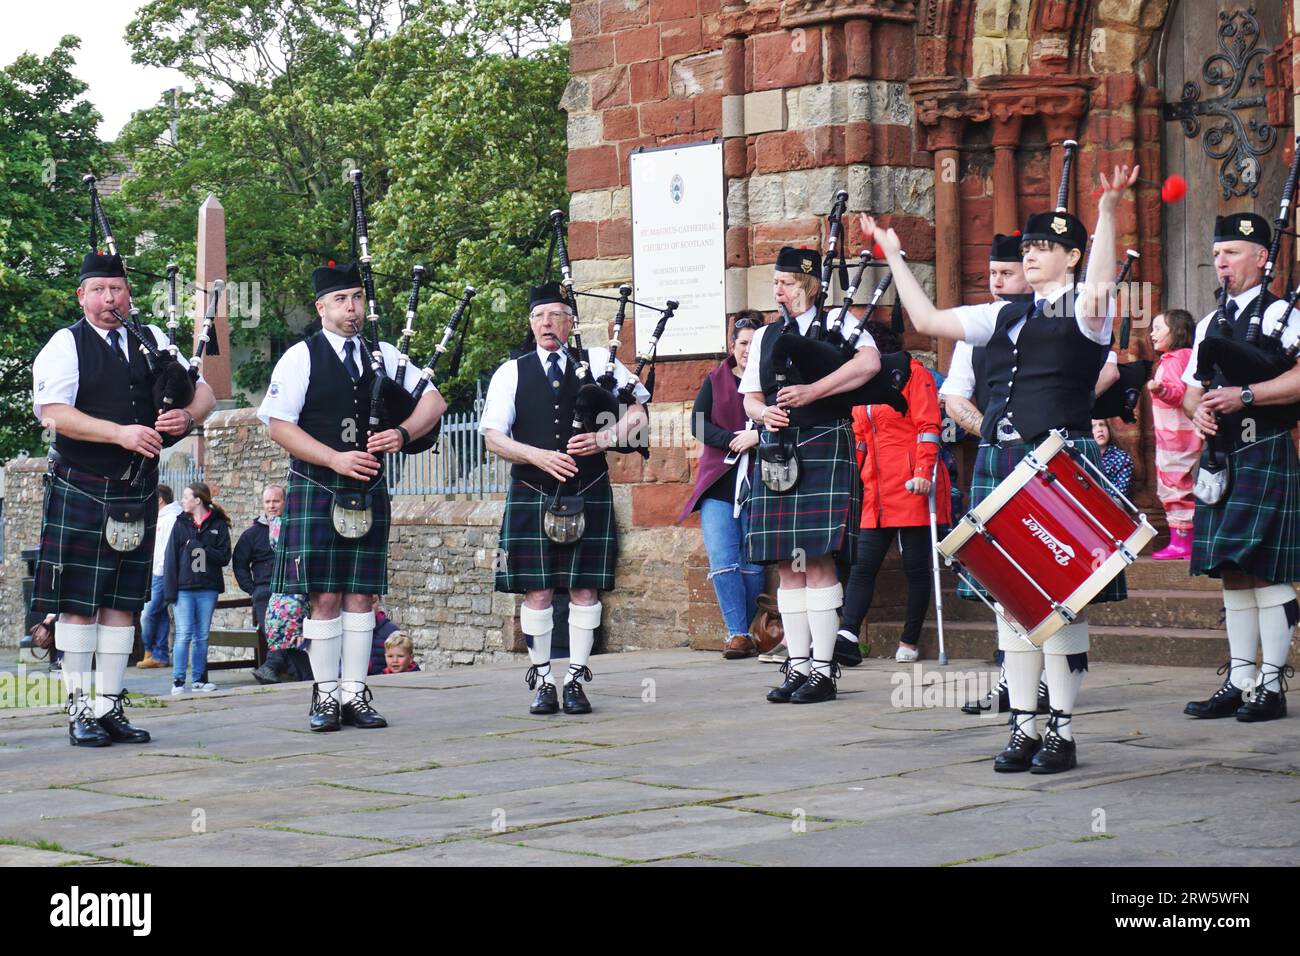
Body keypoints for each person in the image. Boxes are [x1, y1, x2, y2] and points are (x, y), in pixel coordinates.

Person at [865, 161, 1139, 773]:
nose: (1034, 255)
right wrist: (894, 256)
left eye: (1047, 248)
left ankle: (1062, 732)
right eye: (1031, 247)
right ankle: (1022, 726)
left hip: (1060, 460)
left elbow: (1096, 285)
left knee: (1064, 601)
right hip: (1005, 458)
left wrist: (1110, 210)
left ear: (1071, 257)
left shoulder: (1086, 312)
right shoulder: (1002, 314)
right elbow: (930, 322)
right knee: (1011, 600)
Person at [30, 250, 215, 746]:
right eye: (99, 290)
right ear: (83, 296)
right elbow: (54, 413)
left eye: (117, 289)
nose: (110, 298)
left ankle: (110, 706)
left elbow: (206, 393)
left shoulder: (151, 339)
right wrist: (119, 434)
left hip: (134, 491)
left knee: (120, 605)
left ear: (128, 294)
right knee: (77, 605)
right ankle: (79, 710)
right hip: (82, 485)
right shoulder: (65, 345)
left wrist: (188, 418)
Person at [259, 261, 446, 731]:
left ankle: (355, 694)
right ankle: (324, 697)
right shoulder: (300, 357)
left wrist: (402, 433)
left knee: (362, 596)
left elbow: (435, 402)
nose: (352, 308)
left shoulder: (383, 354)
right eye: (341, 300)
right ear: (321, 307)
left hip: (368, 491)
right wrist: (334, 459)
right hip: (320, 485)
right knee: (324, 597)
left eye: (357, 298)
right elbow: (279, 425)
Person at [481, 282, 650, 716]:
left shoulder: (599, 362)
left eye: (555, 315)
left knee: (584, 588)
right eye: (538, 316)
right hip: (533, 490)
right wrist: (536, 454)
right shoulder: (511, 372)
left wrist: (606, 437)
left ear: (571, 321)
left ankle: (575, 679)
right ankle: (542, 680)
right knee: (536, 591)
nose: (546, 323)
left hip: (588, 488)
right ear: (531, 323)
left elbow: (639, 410)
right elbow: (493, 437)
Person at [740, 246, 881, 705]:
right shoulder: (764, 335)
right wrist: (763, 417)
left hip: (824, 443)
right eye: (775, 282)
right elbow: (750, 397)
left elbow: (869, 365)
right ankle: (797, 665)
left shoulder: (839, 325)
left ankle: (824, 670)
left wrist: (813, 391)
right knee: (788, 563)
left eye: (785, 282)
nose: (777, 290)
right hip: (778, 452)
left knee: (817, 559)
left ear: (808, 285)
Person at [1181, 213, 1300, 723]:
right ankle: (1241, 679)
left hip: (1265, 448)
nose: (1222, 263)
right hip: (1221, 458)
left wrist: (1247, 394)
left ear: (1260, 258)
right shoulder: (1211, 322)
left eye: (1231, 252)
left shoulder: (1284, 314)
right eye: (1219, 253)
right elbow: (1190, 388)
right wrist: (1199, 408)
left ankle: (1271, 685)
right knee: (1230, 567)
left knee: (1265, 568)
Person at [941, 235, 1048, 719]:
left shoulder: (1059, 315)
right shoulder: (980, 326)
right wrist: (988, 426)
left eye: (1006, 273)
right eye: (992, 274)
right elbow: (955, 396)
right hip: (997, 453)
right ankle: (1013, 679)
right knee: (1003, 575)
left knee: (1049, 572)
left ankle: (1046, 683)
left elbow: (1106, 372)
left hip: (1050, 452)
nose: (997, 282)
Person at [837, 320, 951, 664]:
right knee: (863, 564)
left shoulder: (915, 375)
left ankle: (909, 639)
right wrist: (851, 478)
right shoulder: (860, 382)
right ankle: (847, 636)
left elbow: (929, 427)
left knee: (916, 566)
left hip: (912, 483)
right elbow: (859, 434)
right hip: (876, 487)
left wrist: (923, 473)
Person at [679, 311, 765, 659]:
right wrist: (733, 439)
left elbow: (788, 421)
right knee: (722, 558)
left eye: (755, 343)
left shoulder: (772, 381)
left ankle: (755, 631)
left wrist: (756, 436)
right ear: (733, 345)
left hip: (761, 480)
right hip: (719, 481)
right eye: (743, 342)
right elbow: (698, 424)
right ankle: (738, 633)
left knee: (754, 561)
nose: (748, 349)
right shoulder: (716, 380)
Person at [163, 481, 232, 694]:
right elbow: (170, 559)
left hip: (207, 588)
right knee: (184, 634)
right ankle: (178, 681)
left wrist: (201, 547)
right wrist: (170, 592)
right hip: (184, 589)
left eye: (186, 497)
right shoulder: (180, 524)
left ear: (197, 500)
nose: (182, 501)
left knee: (202, 635)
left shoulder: (217, 524)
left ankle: (200, 679)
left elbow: (223, 556)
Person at [1146, 309, 1201, 559]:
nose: (1151, 333)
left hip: (1174, 437)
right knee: (1181, 483)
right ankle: (1187, 539)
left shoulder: (1174, 359)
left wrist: (1160, 389)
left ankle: (1182, 542)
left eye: (1158, 328)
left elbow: (1178, 393)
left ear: (1176, 331)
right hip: (1182, 433)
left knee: (1172, 484)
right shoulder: (1187, 356)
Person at [235, 485, 293, 683]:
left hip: (292, 589)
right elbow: (240, 565)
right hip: (265, 590)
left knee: (289, 628)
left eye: (276, 501)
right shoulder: (252, 534)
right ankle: (277, 668)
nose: (272, 506)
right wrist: (252, 589)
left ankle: (273, 667)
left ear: (284, 502)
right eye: (268, 502)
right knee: (273, 630)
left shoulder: (293, 528)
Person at [138, 484, 181, 669]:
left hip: (162, 573)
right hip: (155, 572)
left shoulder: (170, 518)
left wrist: (160, 570)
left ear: (160, 499)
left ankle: (149, 651)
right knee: (160, 614)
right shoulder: (161, 517)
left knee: (146, 614)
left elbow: (167, 548)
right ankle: (160, 655)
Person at [1092, 419, 1134, 496]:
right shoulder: (1080, 456)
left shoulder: (1121, 458)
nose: (1099, 429)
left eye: (1102, 425)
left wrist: (1092, 492)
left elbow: (1120, 492)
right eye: (1093, 426)